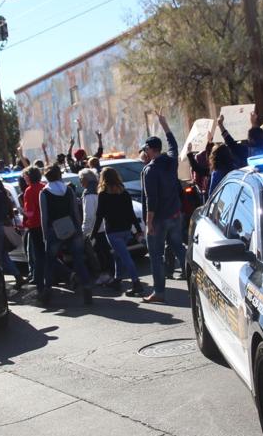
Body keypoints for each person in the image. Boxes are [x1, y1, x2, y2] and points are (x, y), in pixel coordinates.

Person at [140, 113, 184, 303]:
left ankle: (159, 292)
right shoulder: (171, 161)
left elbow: (152, 199)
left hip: (158, 220)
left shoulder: (150, 170)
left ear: (150, 149)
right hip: (175, 215)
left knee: (156, 257)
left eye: (146, 149)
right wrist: (165, 125)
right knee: (180, 249)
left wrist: (149, 224)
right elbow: (174, 145)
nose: (145, 152)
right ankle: (194, 281)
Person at [39, 165, 92, 306]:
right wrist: (79, 229)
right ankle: (87, 289)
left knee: (50, 262)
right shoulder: (68, 190)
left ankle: (47, 291)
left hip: (53, 230)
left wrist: (45, 236)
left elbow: (44, 217)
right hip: (72, 228)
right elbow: (75, 211)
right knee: (79, 260)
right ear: (59, 176)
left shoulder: (44, 193)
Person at [96, 166, 145, 296]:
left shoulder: (103, 194)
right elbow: (131, 213)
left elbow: (99, 215)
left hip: (112, 231)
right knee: (118, 255)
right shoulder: (123, 192)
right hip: (126, 229)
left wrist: (94, 233)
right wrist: (138, 229)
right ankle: (117, 280)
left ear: (103, 179)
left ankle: (136, 284)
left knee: (125, 257)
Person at [77, 168, 113, 286]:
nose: (80, 182)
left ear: (86, 179)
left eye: (81, 179)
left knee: (100, 254)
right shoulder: (101, 188)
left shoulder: (88, 194)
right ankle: (112, 275)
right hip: (107, 226)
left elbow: (89, 217)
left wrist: (84, 232)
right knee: (107, 253)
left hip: (96, 229)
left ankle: (105, 276)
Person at [21, 166, 45, 287]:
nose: (24, 178)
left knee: (38, 255)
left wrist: (22, 212)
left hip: (35, 225)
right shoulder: (43, 186)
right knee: (45, 253)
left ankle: (40, 284)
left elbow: (29, 212)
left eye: (25, 176)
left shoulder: (29, 191)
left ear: (29, 177)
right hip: (46, 224)